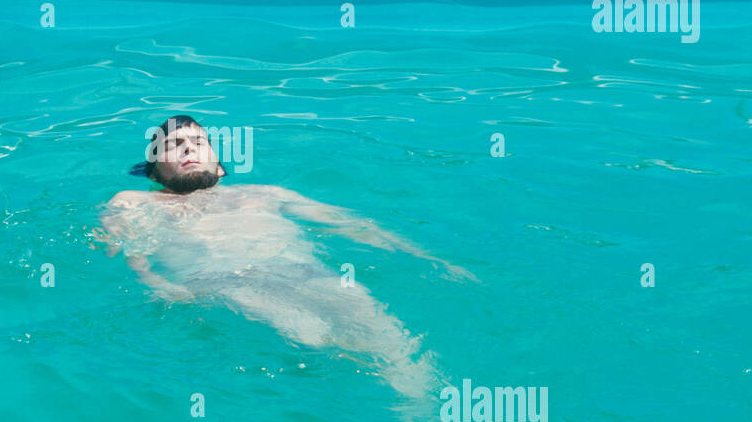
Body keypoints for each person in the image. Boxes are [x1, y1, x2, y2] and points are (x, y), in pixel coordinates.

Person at [96, 115, 476, 406]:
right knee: (312, 334)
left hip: (307, 274)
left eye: (198, 142)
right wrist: (161, 285)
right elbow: (128, 250)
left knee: (389, 338)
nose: (188, 149)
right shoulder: (135, 201)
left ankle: (428, 412)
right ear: (153, 170)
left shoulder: (265, 194)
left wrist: (428, 258)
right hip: (227, 283)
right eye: (173, 145)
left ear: (219, 165)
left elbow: (354, 226)